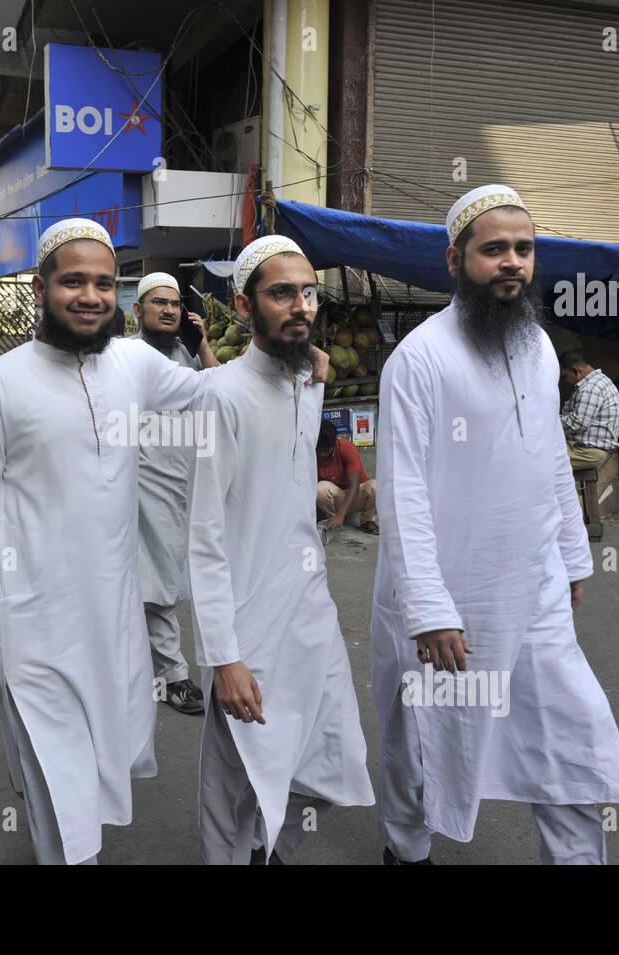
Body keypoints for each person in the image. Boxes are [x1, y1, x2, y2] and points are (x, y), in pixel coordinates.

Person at [0, 219, 327, 864]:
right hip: (31, 623)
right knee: (60, 786)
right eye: (73, 282)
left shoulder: (134, 363)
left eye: (104, 284)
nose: (90, 296)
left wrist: (286, 361)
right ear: (40, 287)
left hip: (114, 620)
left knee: (94, 763)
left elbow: (213, 397)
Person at [371, 184, 619, 866]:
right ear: (456, 260)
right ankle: (405, 844)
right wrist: (429, 608)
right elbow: (401, 491)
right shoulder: (419, 360)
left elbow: (550, 455)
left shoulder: (539, 347)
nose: (512, 262)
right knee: (422, 730)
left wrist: (574, 556)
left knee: (569, 730)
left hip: (536, 584)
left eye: (523, 248)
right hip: (447, 593)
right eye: (494, 250)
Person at [187, 236, 375, 864]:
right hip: (247, 628)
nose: (301, 305)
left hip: (310, 618)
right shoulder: (220, 395)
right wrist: (223, 656)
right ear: (244, 305)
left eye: (309, 292)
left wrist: (313, 374)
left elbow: (300, 394)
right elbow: (206, 536)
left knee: (315, 764)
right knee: (234, 782)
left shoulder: (306, 382)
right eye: (282, 293)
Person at [129, 272, 217, 716]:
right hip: (144, 485)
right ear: (137, 311)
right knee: (159, 585)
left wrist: (200, 342)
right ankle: (173, 676)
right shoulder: (124, 357)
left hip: (191, 483)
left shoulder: (185, 352)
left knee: (183, 580)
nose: (169, 309)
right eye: (158, 302)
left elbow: (224, 393)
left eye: (176, 303)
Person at [558, 349, 619, 471]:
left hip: (588, 453)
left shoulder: (590, 388)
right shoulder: (600, 381)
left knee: (540, 457)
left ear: (576, 371)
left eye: (565, 376)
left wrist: (549, 423)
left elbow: (577, 423)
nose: (565, 381)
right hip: (584, 449)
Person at [315, 419, 378, 534]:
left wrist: (341, 515)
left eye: (325, 451)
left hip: (356, 495)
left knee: (376, 486)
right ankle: (332, 521)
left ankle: (367, 521)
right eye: (319, 451)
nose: (321, 454)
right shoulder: (313, 452)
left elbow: (355, 485)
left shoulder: (346, 448)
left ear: (334, 443)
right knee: (320, 488)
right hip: (337, 496)